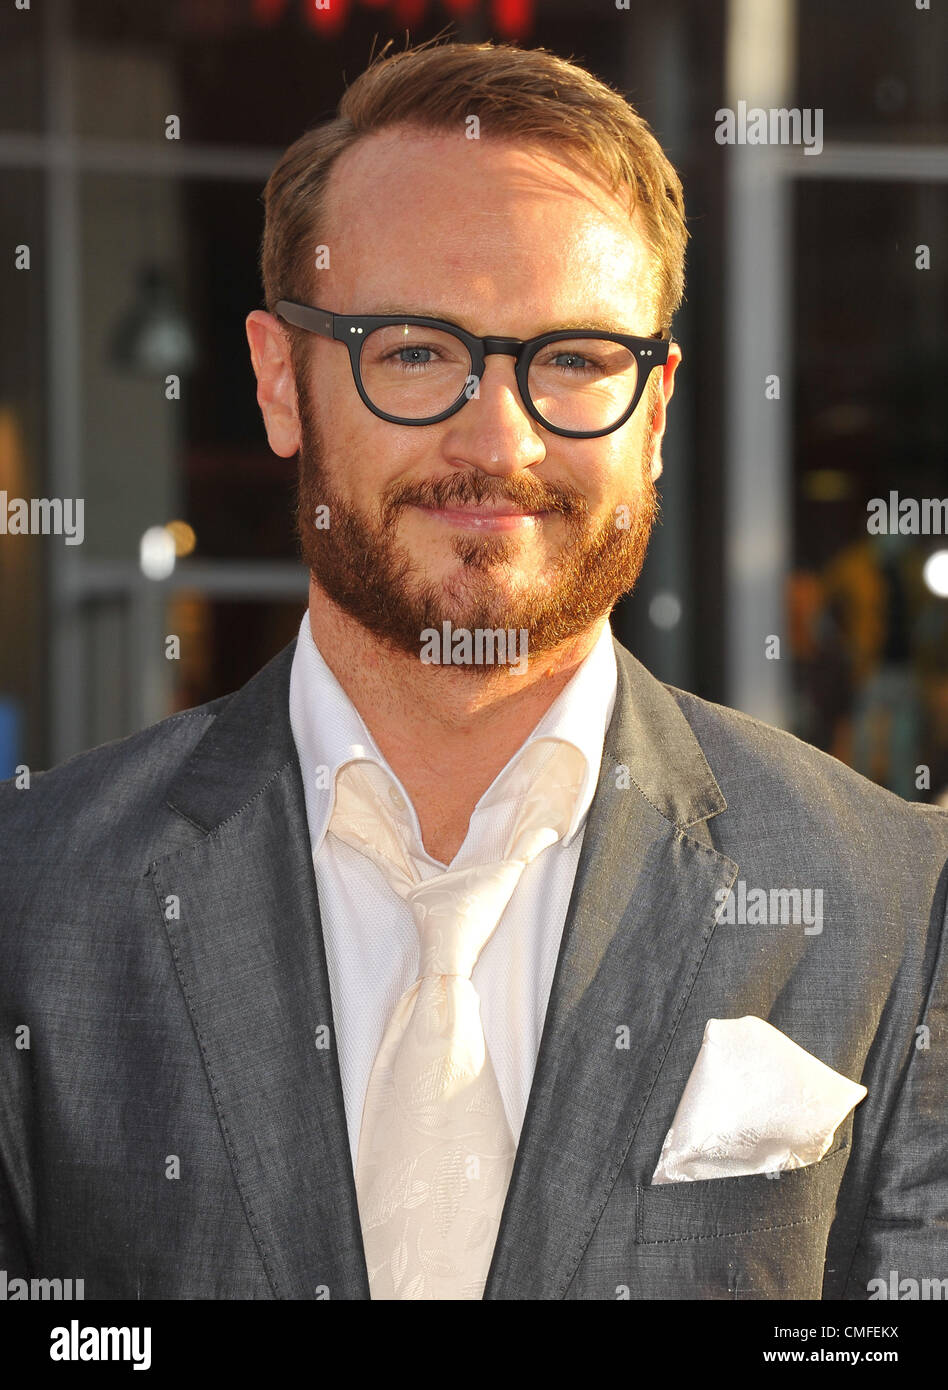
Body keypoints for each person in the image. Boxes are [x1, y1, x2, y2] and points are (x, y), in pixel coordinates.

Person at [1, 38, 945, 1303]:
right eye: (413, 350)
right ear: (283, 382)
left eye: (571, 359)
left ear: (653, 414)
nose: (495, 440)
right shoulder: (34, 898)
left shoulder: (891, 897)